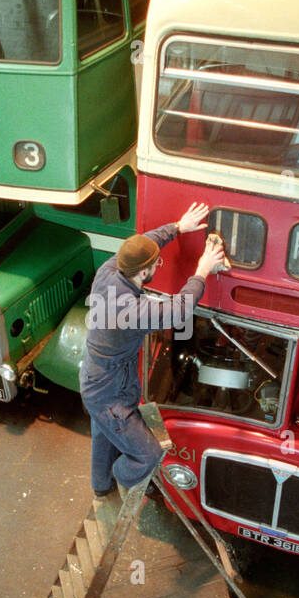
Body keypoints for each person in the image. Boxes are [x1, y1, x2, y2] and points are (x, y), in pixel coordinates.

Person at [80, 201, 226, 503]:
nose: (157, 268)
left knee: (103, 436)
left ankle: (100, 486)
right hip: (111, 394)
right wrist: (203, 269)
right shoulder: (131, 310)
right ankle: (122, 478)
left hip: (94, 380)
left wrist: (177, 228)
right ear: (144, 272)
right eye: (155, 266)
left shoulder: (109, 270)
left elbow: (141, 244)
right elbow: (178, 312)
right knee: (149, 455)